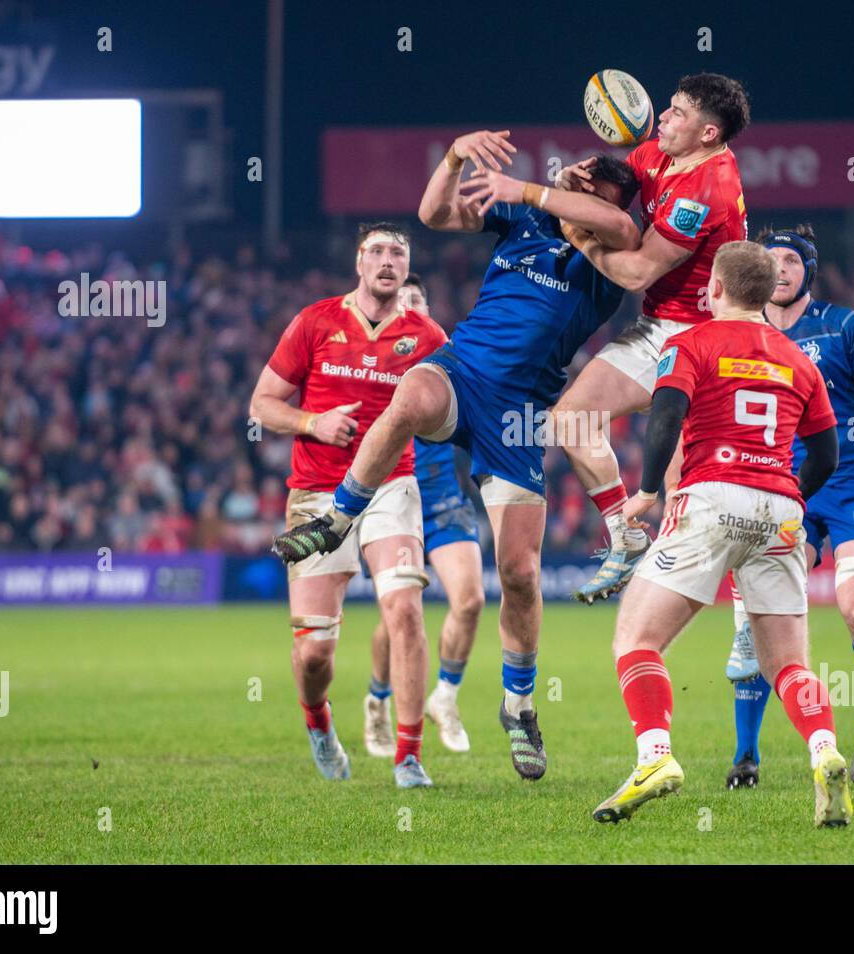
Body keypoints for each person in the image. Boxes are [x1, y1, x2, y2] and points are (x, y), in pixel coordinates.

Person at [273, 129, 639, 781]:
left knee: (521, 574)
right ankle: (339, 516)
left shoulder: (607, 264)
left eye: (588, 184)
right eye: (577, 176)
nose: (576, 186)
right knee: (411, 394)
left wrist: (541, 188)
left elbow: (617, 222)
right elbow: (433, 214)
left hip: (520, 413)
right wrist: (454, 156)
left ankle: (519, 706)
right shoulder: (524, 218)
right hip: (462, 373)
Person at [592, 241, 853, 828]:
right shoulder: (797, 357)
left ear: (714, 289)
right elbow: (828, 454)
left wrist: (650, 489)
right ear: (764, 294)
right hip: (781, 506)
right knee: (788, 664)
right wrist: (790, 499)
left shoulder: (691, 342)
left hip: (711, 496)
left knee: (636, 639)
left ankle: (654, 758)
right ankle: (823, 750)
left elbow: (665, 415)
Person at [253, 222, 446, 789]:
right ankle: (320, 725)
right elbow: (262, 403)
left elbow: (452, 402)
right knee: (315, 652)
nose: (388, 261)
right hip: (316, 492)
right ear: (360, 263)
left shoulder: (428, 335)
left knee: (406, 610)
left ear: (406, 268)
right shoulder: (314, 322)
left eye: (398, 253)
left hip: (391, 487)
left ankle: (408, 755)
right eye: (378, 252)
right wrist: (313, 421)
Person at [723, 225, 854, 789]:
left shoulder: (844, 326)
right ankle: (745, 756)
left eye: (791, 259)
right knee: (758, 614)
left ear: (809, 269)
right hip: (780, 487)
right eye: (770, 259)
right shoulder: (740, 331)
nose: (780, 268)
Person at [553, 72, 750, 602]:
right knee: (571, 419)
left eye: (677, 111)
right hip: (659, 328)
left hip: (706, 340)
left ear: (707, 133)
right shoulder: (656, 155)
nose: (661, 117)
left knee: (684, 492)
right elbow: (619, 188)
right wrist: (580, 183)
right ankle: (626, 534)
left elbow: (638, 272)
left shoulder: (710, 186)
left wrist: (580, 240)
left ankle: (743, 615)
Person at [364, 275, 484, 757]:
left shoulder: (449, 360)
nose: (410, 309)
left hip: (441, 496)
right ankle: (378, 702)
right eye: (402, 302)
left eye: (419, 302)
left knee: (471, 600)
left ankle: (445, 698)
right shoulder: (373, 365)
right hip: (395, 497)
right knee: (400, 616)